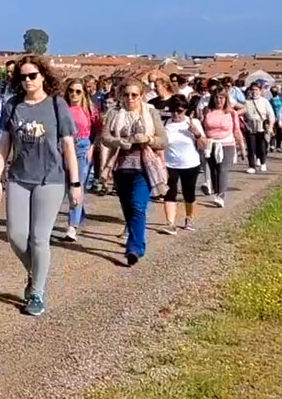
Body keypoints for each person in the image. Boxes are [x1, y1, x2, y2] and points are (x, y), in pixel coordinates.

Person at [0, 56, 80, 317]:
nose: (28, 81)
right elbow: (4, 144)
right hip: (19, 178)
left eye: (33, 75)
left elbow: (68, 147)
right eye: (23, 77)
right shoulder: (12, 106)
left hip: (50, 179)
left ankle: (37, 292)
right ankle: (35, 272)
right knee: (16, 237)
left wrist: (75, 184)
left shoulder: (57, 105)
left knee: (40, 238)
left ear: (43, 76)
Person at [99, 77, 168, 265]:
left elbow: (163, 140)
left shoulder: (151, 113)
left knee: (138, 206)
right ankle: (134, 239)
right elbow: (105, 137)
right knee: (128, 207)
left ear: (141, 96)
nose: (130, 99)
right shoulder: (114, 113)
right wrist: (118, 142)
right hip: (121, 167)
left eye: (134, 95)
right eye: (126, 95)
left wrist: (148, 139)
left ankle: (136, 248)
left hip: (144, 166)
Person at [162, 95, 205, 233]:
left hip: (190, 163)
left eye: (179, 111)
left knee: (189, 193)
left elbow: (204, 145)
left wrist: (196, 133)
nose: (176, 114)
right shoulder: (166, 124)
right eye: (173, 110)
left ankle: (189, 218)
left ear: (185, 110)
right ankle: (170, 223)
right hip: (170, 164)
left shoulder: (193, 123)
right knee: (170, 193)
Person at [63, 78, 96, 242]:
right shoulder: (62, 108)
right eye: (71, 91)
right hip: (63, 147)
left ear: (84, 93)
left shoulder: (90, 109)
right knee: (62, 185)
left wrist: (93, 147)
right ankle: (79, 212)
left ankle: (72, 226)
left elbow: (98, 129)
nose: (74, 94)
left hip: (82, 147)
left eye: (78, 91)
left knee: (77, 186)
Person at [201, 88, 245, 208]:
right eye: (216, 97)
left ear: (226, 99)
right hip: (211, 144)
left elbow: (236, 130)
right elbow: (203, 127)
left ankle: (221, 196)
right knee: (214, 170)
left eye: (221, 97)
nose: (219, 100)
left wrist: (242, 147)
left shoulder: (231, 113)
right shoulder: (207, 111)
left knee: (223, 169)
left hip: (227, 144)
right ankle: (216, 192)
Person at [242, 82, 276, 174]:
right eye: (252, 90)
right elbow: (241, 113)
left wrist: (270, 127)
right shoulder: (246, 102)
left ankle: (263, 162)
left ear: (260, 91)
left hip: (262, 127)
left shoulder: (265, 101)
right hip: (250, 127)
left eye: (256, 90)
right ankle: (251, 166)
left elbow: (271, 115)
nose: (254, 92)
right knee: (251, 148)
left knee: (262, 146)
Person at [269, 86, 282, 151]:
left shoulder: (281, 99)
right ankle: (272, 145)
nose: (274, 92)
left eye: (275, 91)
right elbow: (270, 109)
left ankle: (279, 146)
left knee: (280, 132)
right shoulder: (270, 100)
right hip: (273, 117)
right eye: (273, 91)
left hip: (281, 117)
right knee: (273, 132)